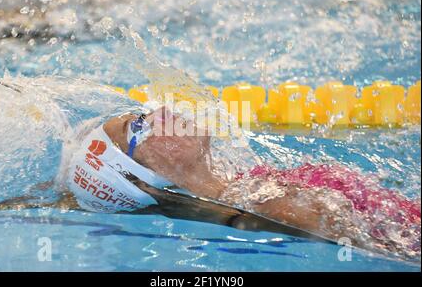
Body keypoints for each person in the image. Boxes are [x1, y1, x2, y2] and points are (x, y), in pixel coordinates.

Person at [66, 106, 420, 260]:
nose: (159, 114)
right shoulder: (259, 208)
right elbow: (352, 230)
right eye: (139, 126)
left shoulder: (245, 186)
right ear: (141, 178)